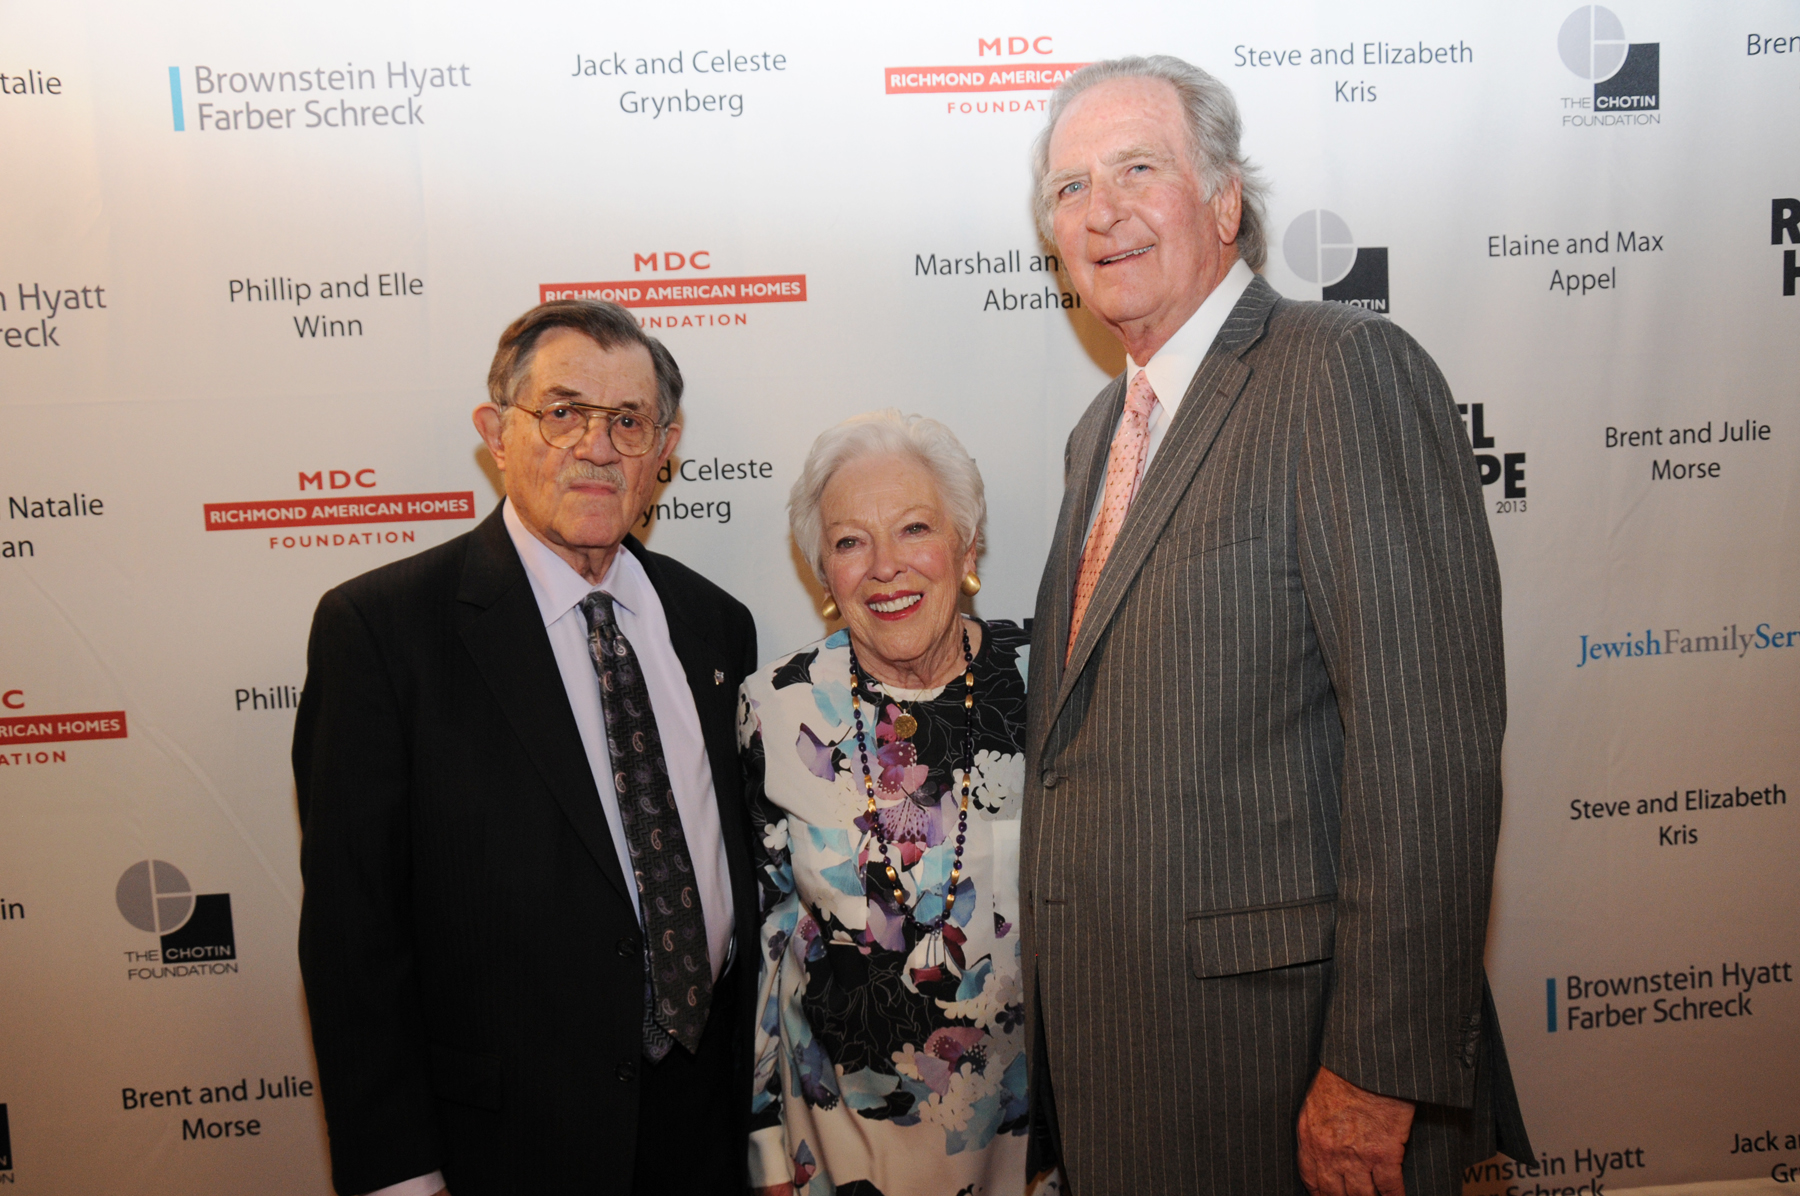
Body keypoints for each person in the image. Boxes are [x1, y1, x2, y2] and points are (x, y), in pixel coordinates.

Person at [1019, 56, 1534, 1196]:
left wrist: (1376, 1072)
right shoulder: (1100, 432)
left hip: (1294, 1074)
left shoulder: (1343, 371)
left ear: (1223, 199)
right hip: (1129, 1071)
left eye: (1135, 169)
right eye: (1067, 188)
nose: (1097, 210)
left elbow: (1428, 752)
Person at [293, 299, 758, 1196]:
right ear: (495, 434)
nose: (596, 445)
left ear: (664, 449)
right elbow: (355, 945)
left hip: (704, 1135)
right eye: (562, 412)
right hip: (506, 1150)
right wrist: (399, 1177)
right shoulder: (384, 634)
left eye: (628, 421)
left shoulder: (713, 627)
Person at [741, 411, 1049, 1196]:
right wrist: (766, 1148)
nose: (885, 567)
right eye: (850, 542)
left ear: (966, 547)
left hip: (1036, 1134)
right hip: (842, 1145)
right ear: (823, 573)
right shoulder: (777, 707)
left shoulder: (1050, 680)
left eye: (915, 528)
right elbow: (766, 937)